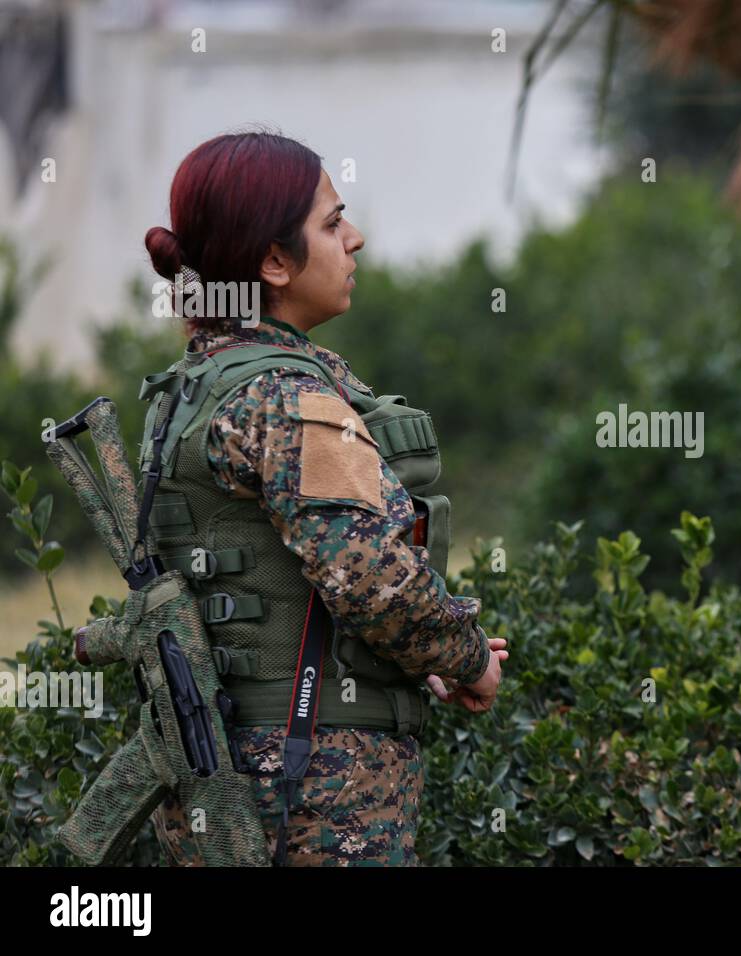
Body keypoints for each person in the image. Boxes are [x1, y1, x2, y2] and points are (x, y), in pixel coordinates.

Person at [140, 130, 506, 866]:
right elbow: (373, 582)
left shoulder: (186, 392)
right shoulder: (287, 398)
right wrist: (469, 659)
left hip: (221, 779)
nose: (356, 239)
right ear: (273, 262)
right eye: (333, 223)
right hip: (314, 793)